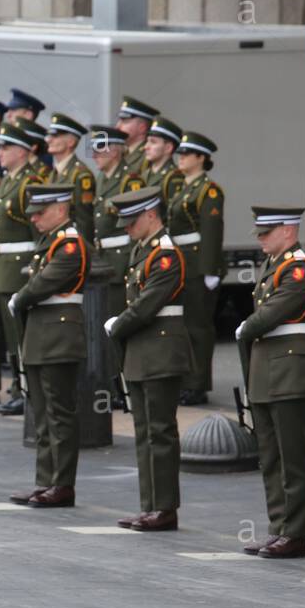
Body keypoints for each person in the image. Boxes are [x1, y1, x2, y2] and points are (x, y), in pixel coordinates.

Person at [235, 206, 305, 560]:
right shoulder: (275, 267)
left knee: (293, 456)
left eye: (265, 233)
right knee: (271, 456)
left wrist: (247, 326)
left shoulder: (299, 269)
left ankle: (295, 532)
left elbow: (273, 314)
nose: (259, 240)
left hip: (290, 372)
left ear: (288, 231)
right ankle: (278, 528)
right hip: (268, 371)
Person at [103, 187, 191, 532]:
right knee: (145, 433)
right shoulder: (143, 250)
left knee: (160, 432)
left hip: (160, 352)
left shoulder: (165, 255)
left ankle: (165, 507)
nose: (126, 227)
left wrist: (117, 325)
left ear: (151, 214)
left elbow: (148, 304)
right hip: (142, 352)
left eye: (132, 220)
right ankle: (149, 505)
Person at [7, 184, 88, 508]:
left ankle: (62, 484)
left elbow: (41, 284)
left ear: (61, 209)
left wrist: (20, 297)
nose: (35, 218)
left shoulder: (70, 245)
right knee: (41, 413)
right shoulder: (51, 241)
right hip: (41, 335)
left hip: (58, 337)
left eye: (41, 212)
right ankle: (44, 481)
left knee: (60, 415)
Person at [0, 123, 47, 417]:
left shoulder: (28, 184)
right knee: (10, 337)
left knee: (21, 336)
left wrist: (35, 270)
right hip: (2, 270)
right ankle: (17, 388)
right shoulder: (7, 182)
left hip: (19, 269)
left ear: (22, 151)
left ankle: (25, 391)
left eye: (5, 148)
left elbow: (38, 233)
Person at [164, 131, 225, 406]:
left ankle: (198, 384)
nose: (181, 158)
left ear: (201, 158)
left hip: (198, 263)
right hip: (182, 261)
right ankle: (187, 380)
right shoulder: (182, 187)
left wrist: (209, 269)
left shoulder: (208, 190)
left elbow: (211, 231)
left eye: (186, 154)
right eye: (180, 153)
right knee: (184, 326)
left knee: (198, 327)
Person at [90, 124, 146, 322]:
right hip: (104, 258)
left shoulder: (129, 180)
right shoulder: (102, 179)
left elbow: (137, 225)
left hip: (121, 260)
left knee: (117, 318)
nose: (95, 155)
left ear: (114, 151)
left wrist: (132, 264)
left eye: (99, 149)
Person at [45, 114, 96, 240]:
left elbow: (84, 221)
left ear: (71, 142)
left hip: (71, 245)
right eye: (49, 135)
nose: (48, 140)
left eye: (55, 136)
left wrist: (82, 253)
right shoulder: (54, 174)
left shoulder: (80, 175)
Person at [141, 115, 184, 203]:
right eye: (147, 141)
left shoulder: (174, 178)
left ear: (168, 147)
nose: (146, 147)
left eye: (153, 142)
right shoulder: (145, 174)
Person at [115, 96, 159, 174]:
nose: (117, 126)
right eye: (119, 121)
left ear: (142, 127)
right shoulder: (120, 154)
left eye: (124, 121)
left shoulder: (148, 157)